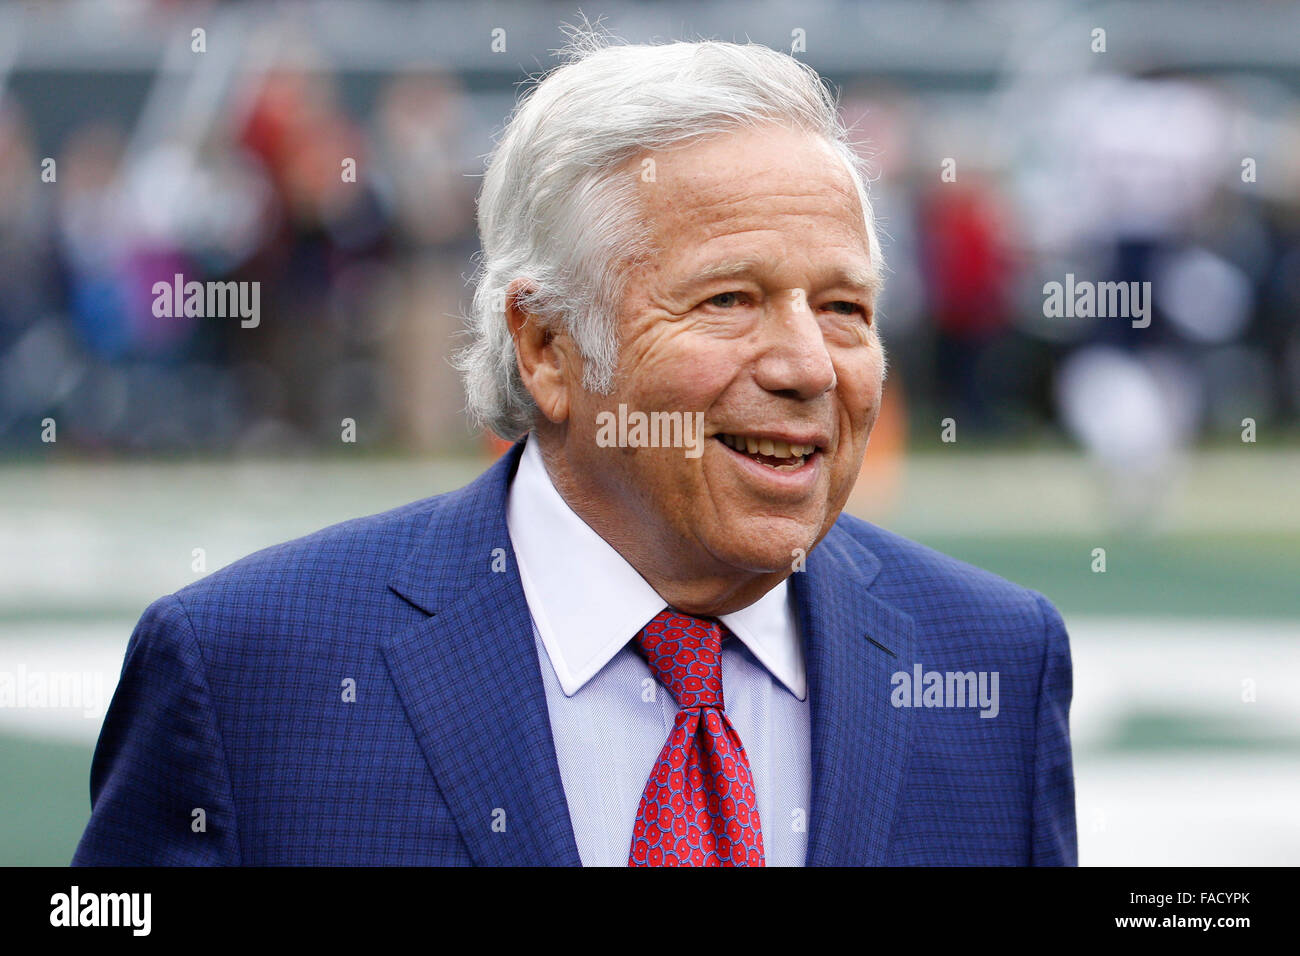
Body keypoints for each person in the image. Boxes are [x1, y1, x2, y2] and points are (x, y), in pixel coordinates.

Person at [73, 33, 1076, 867]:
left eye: (844, 307)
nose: (809, 364)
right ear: (547, 346)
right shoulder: (247, 672)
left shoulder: (995, 663)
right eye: (728, 298)